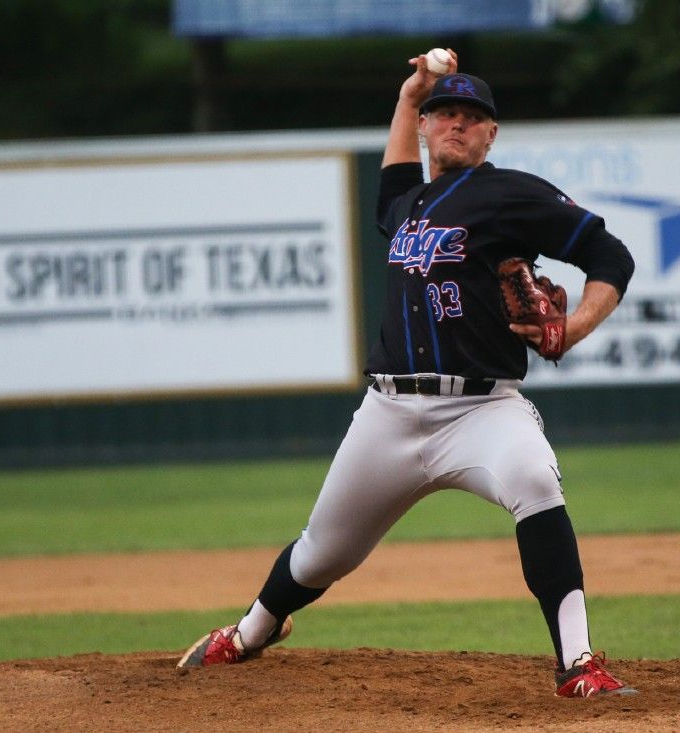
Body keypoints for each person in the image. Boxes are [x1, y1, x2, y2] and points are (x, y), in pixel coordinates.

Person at [178, 50, 637, 698]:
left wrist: (578, 326)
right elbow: (395, 169)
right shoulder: (406, 203)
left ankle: (577, 662)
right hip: (389, 412)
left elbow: (610, 254)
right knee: (322, 552)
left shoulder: (511, 193)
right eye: (444, 112)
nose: (457, 122)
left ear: (491, 134)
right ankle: (252, 631)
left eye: (472, 116)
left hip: (481, 409)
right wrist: (408, 93)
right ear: (425, 126)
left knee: (535, 479)